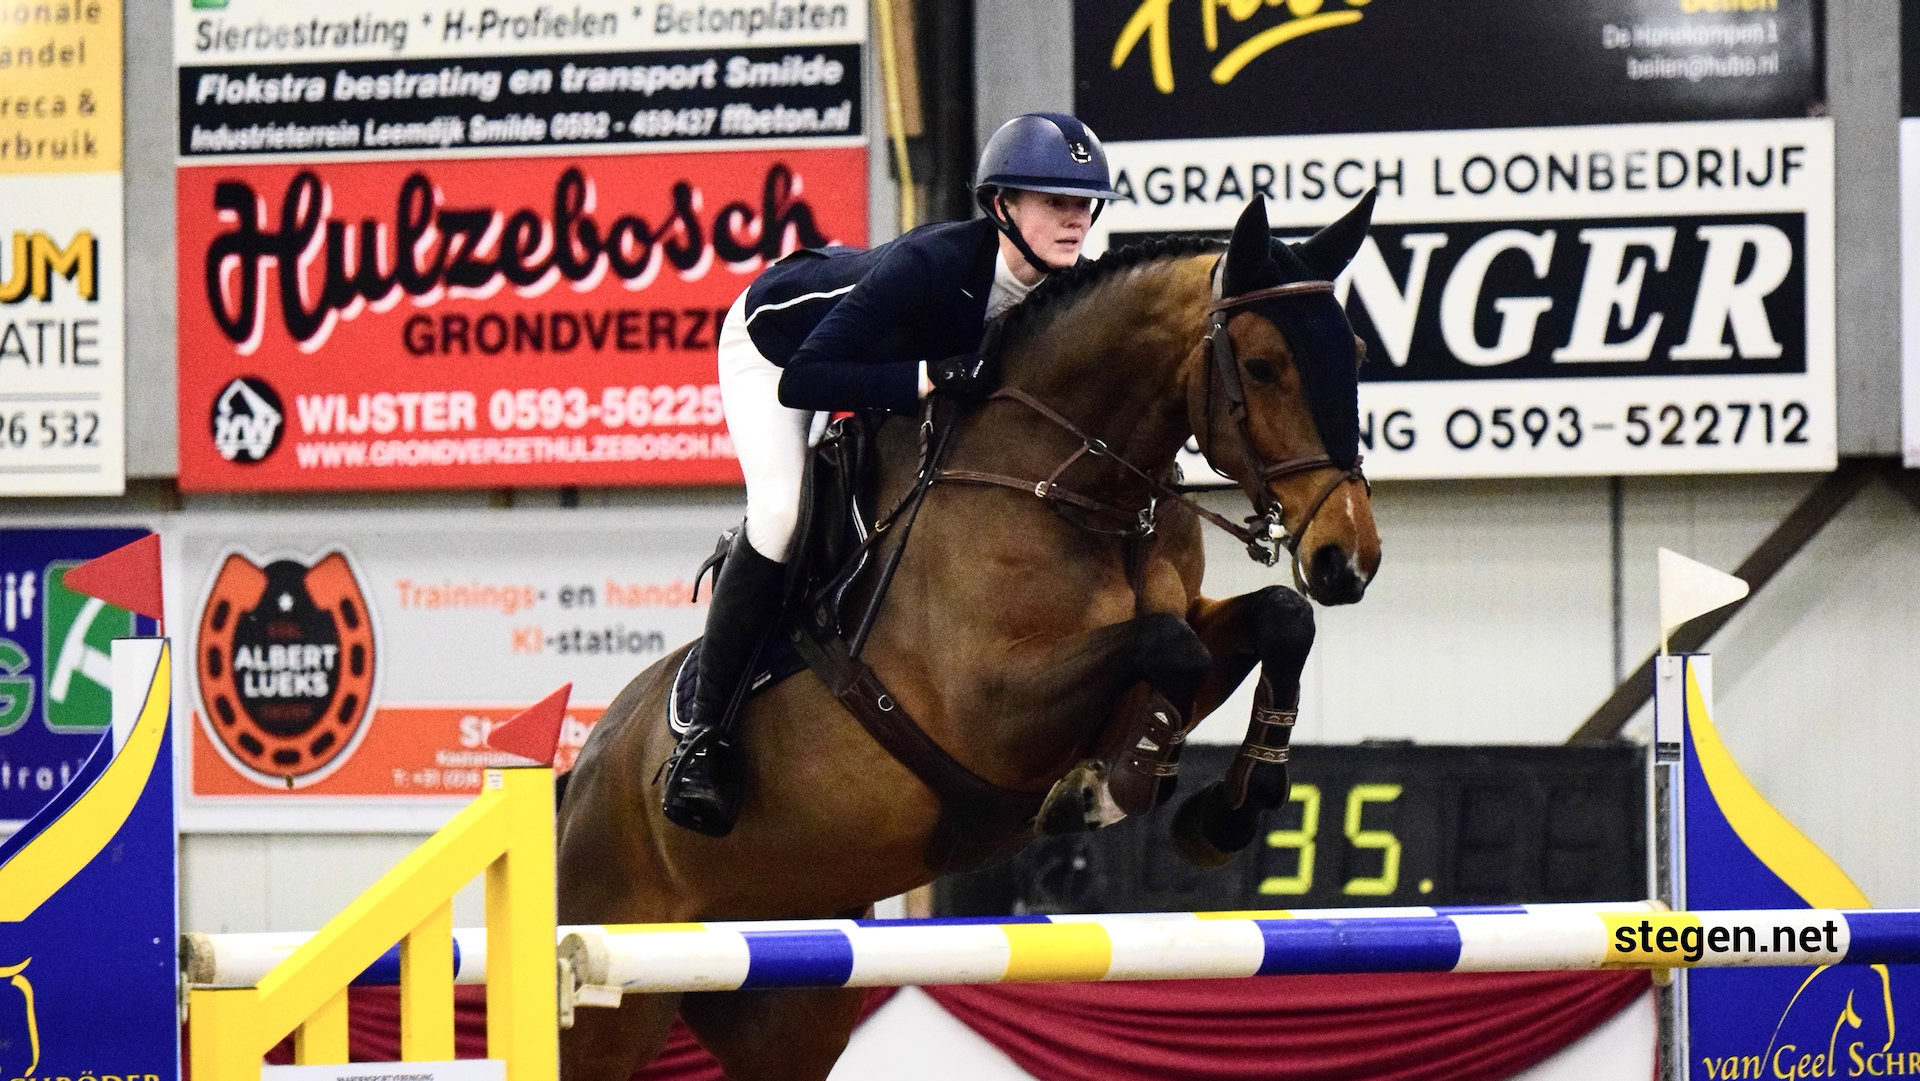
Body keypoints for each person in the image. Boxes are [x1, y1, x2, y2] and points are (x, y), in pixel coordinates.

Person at [661, 112, 1131, 837]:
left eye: (1084, 204)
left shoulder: (1051, 296)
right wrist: (928, 374)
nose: (1076, 220)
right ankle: (705, 735)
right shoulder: (934, 265)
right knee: (782, 513)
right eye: (1055, 202)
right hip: (774, 345)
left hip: (859, 354)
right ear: (1003, 205)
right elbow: (808, 378)